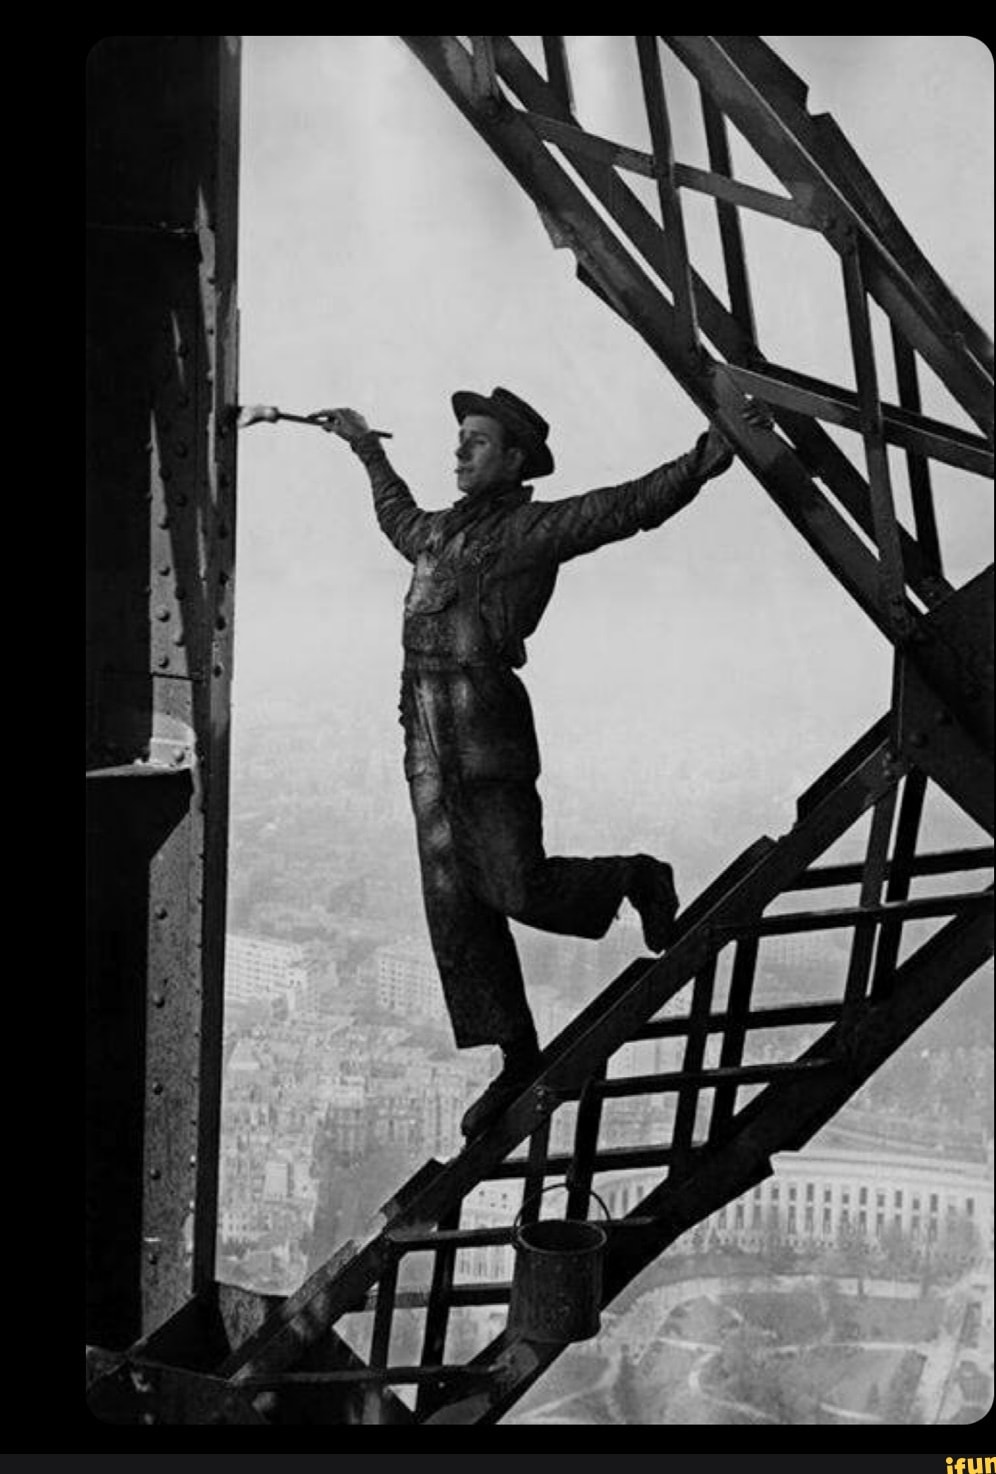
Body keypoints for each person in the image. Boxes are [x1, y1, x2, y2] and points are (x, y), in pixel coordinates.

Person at [317, 387, 769, 1138]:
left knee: (516, 886)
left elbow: (622, 508)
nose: (460, 451)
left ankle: (634, 877)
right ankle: (515, 1055)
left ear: (515, 460)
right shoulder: (435, 535)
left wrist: (701, 462)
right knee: (455, 907)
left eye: (478, 442)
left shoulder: (530, 531)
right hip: (427, 745)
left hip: (485, 735)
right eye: (459, 438)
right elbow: (393, 512)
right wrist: (364, 444)